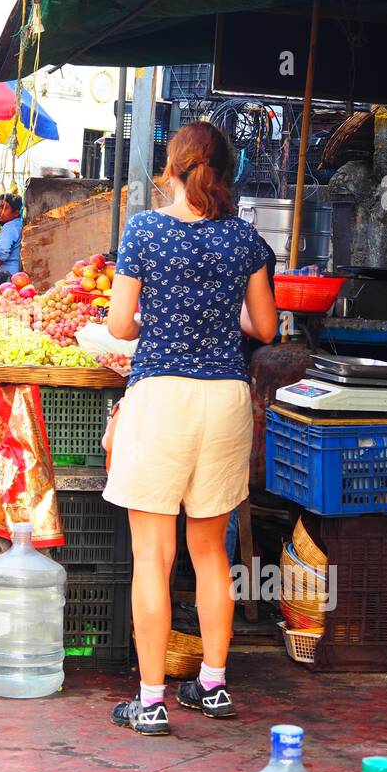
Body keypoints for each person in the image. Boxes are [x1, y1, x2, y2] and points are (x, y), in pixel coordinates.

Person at [103, 120, 278, 737]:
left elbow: (121, 325)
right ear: (226, 174)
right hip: (226, 400)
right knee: (209, 554)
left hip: (161, 398)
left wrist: (162, 312)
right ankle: (212, 685)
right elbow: (266, 329)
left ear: (170, 169)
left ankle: (150, 701)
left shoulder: (145, 231)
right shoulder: (246, 241)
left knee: (152, 555)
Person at [0, 193, 24, 275]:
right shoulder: (19, 224)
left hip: (6, 276)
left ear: (16, 213)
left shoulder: (9, 227)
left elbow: (2, 253)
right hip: (16, 274)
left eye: (4, 208)